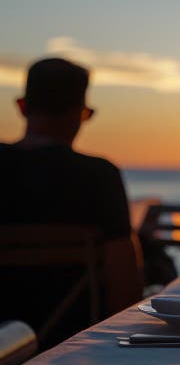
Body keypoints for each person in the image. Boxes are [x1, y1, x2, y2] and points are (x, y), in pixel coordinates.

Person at [0, 58, 143, 348]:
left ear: (22, 107)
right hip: (75, 345)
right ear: (77, 114)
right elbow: (124, 284)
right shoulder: (99, 176)